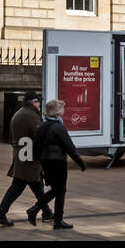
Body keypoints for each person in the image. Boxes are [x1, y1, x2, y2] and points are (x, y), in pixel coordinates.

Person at [0, 90, 50, 226]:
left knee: (37, 185)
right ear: (33, 102)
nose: (40, 104)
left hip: (23, 154)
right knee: (18, 187)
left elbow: (11, 138)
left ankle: (47, 211)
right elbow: (39, 136)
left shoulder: (19, 113)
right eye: (38, 101)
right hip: (28, 157)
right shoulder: (31, 116)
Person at [30, 98, 86, 229]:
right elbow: (69, 147)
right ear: (57, 112)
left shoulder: (42, 125)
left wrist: (41, 160)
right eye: (62, 108)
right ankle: (44, 213)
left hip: (46, 161)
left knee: (57, 190)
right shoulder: (58, 127)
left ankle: (53, 218)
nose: (64, 110)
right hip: (58, 162)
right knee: (60, 190)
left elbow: (36, 146)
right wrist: (80, 162)